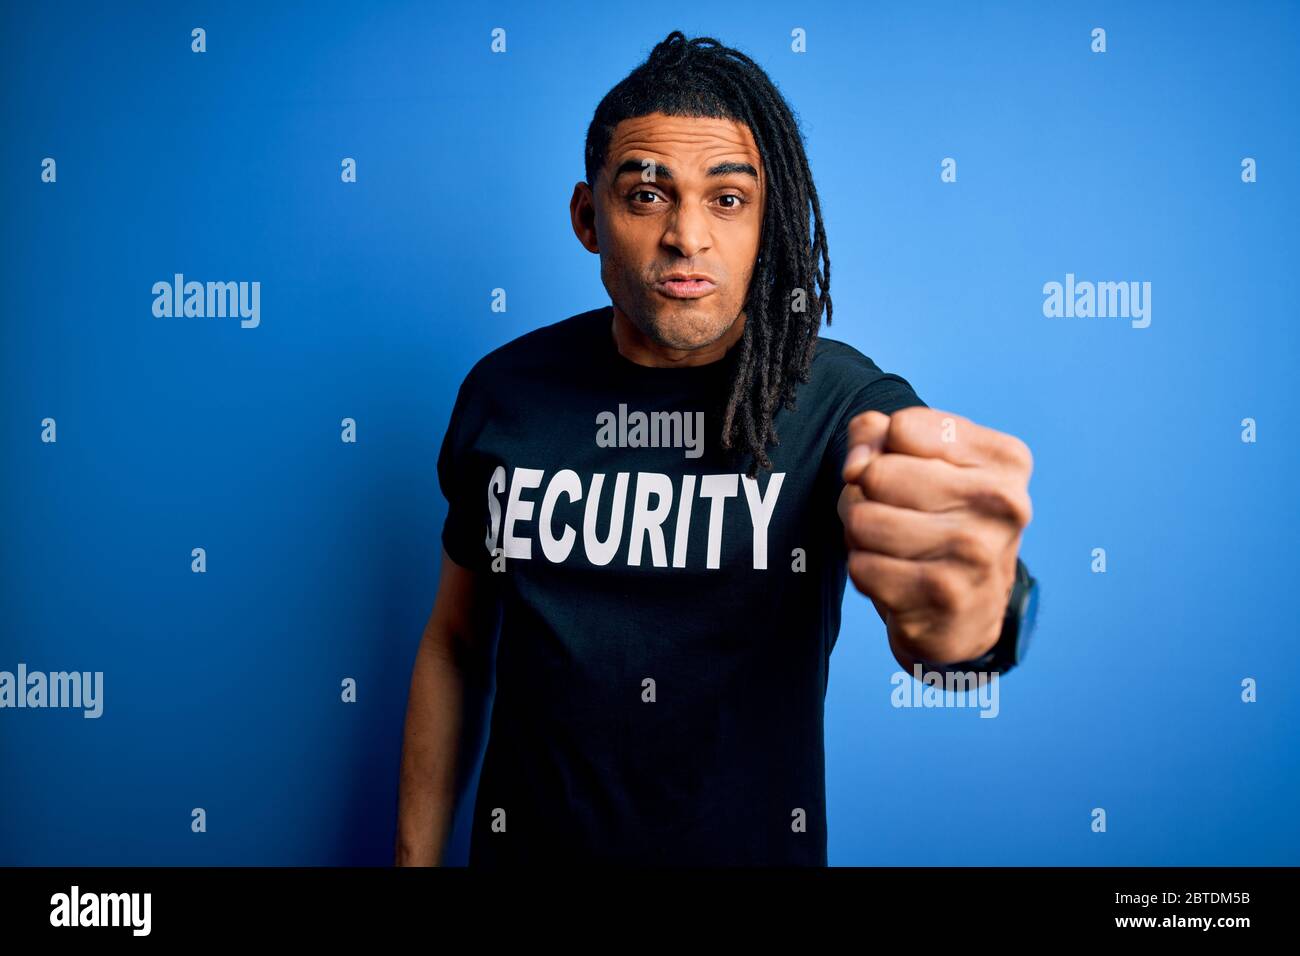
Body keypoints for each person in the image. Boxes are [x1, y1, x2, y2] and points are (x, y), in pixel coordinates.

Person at [396, 30, 1035, 867]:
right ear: (590, 218)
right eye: (648, 197)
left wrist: (980, 620)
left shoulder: (838, 405)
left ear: (767, 222)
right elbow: (455, 640)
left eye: (728, 199)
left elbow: (946, 621)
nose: (687, 236)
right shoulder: (503, 393)